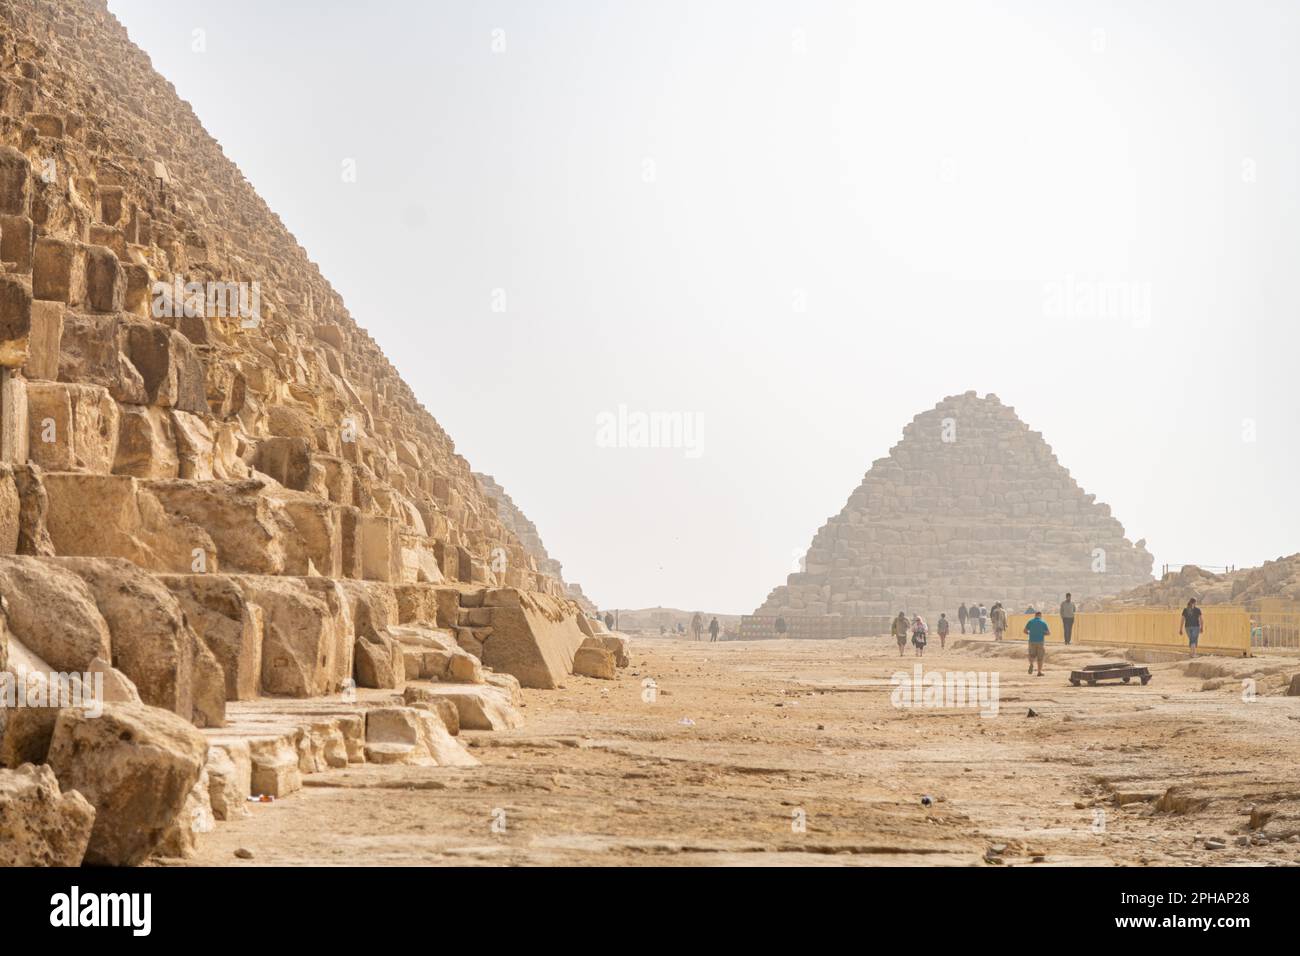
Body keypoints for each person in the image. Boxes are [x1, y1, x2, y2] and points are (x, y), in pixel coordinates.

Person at [1023, 608, 1049, 676]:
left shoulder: (1030, 622)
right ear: (1040, 616)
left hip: (1032, 641)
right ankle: (1039, 672)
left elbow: (1025, 631)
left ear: (1035, 615)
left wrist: (1030, 633)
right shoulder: (1043, 622)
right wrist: (1042, 633)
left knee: (1031, 655)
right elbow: (1048, 633)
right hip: (1040, 641)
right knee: (1040, 658)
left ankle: (1031, 664)